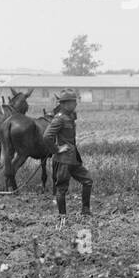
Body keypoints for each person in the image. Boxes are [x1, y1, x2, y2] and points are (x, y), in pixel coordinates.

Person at [44, 88, 93, 222]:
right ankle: (62, 216)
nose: (76, 104)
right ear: (65, 104)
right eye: (73, 102)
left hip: (73, 158)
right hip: (63, 159)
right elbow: (47, 136)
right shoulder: (59, 119)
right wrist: (57, 149)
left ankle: (85, 211)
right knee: (62, 188)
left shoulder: (70, 117)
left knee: (88, 180)